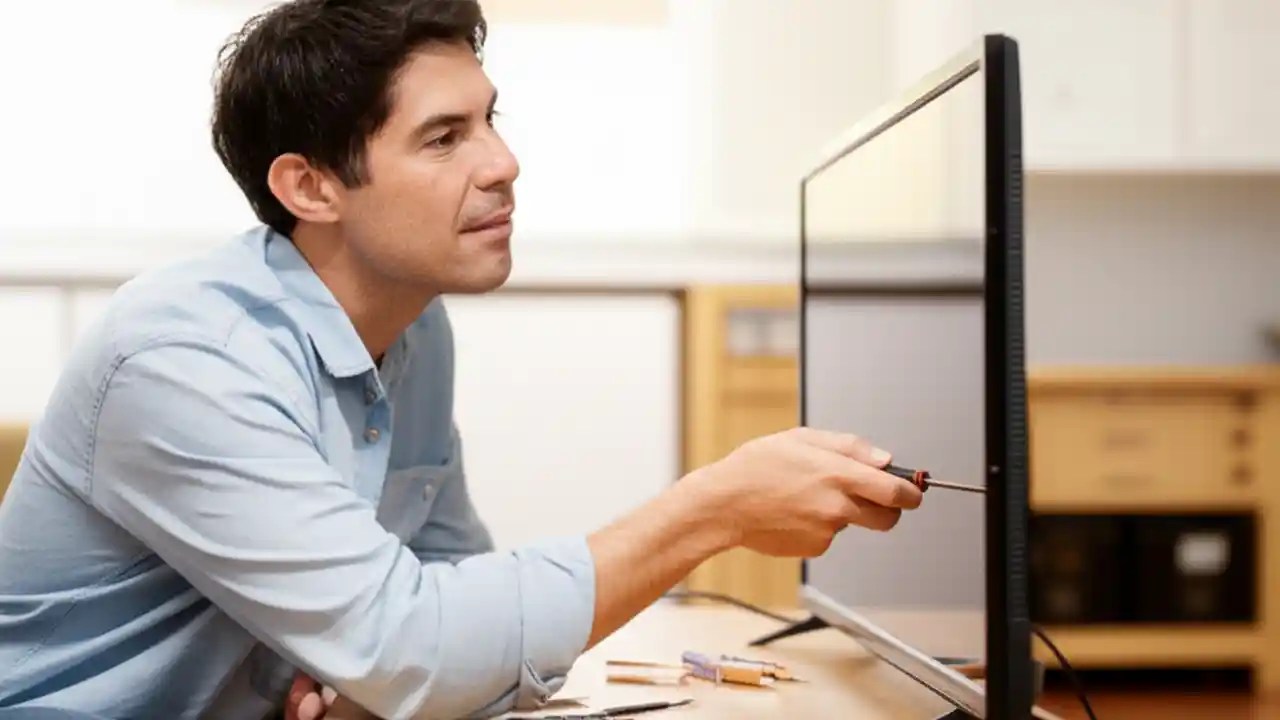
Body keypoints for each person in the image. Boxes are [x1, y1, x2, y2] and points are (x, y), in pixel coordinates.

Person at [0, 1, 924, 718]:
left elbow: (447, 616)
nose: (504, 162)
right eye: (444, 139)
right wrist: (711, 508)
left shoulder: (410, 329)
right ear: (310, 186)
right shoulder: (188, 360)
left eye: (490, 121)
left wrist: (389, 681)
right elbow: (423, 645)